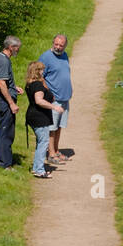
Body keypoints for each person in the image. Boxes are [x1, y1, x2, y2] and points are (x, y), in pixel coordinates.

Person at [24, 61, 64, 178]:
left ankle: (37, 167)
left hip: (33, 115)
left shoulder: (30, 84)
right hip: (39, 117)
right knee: (43, 143)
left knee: (40, 143)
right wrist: (54, 107)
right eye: (41, 70)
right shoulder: (37, 85)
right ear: (37, 71)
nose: (43, 72)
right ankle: (39, 170)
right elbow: (39, 100)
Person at [38, 34, 72, 163]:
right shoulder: (46, 57)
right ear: (53, 43)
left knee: (59, 126)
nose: (58, 47)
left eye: (61, 45)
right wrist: (47, 92)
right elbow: (39, 75)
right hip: (54, 99)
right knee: (52, 128)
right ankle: (50, 154)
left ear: (65, 46)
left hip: (65, 97)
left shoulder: (65, 56)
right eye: (56, 44)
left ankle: (56, 151)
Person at [0, 36, 23, 169]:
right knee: (6, 133)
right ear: (11, 47)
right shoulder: (4, 61)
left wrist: (14, 87)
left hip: (2, 99)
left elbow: (3, 80)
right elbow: (1, 83)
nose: (18, 50)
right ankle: (5, 164)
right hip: (4, 101)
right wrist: (11, 103)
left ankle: (5, 161)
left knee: (4, 131)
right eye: (17, 48)